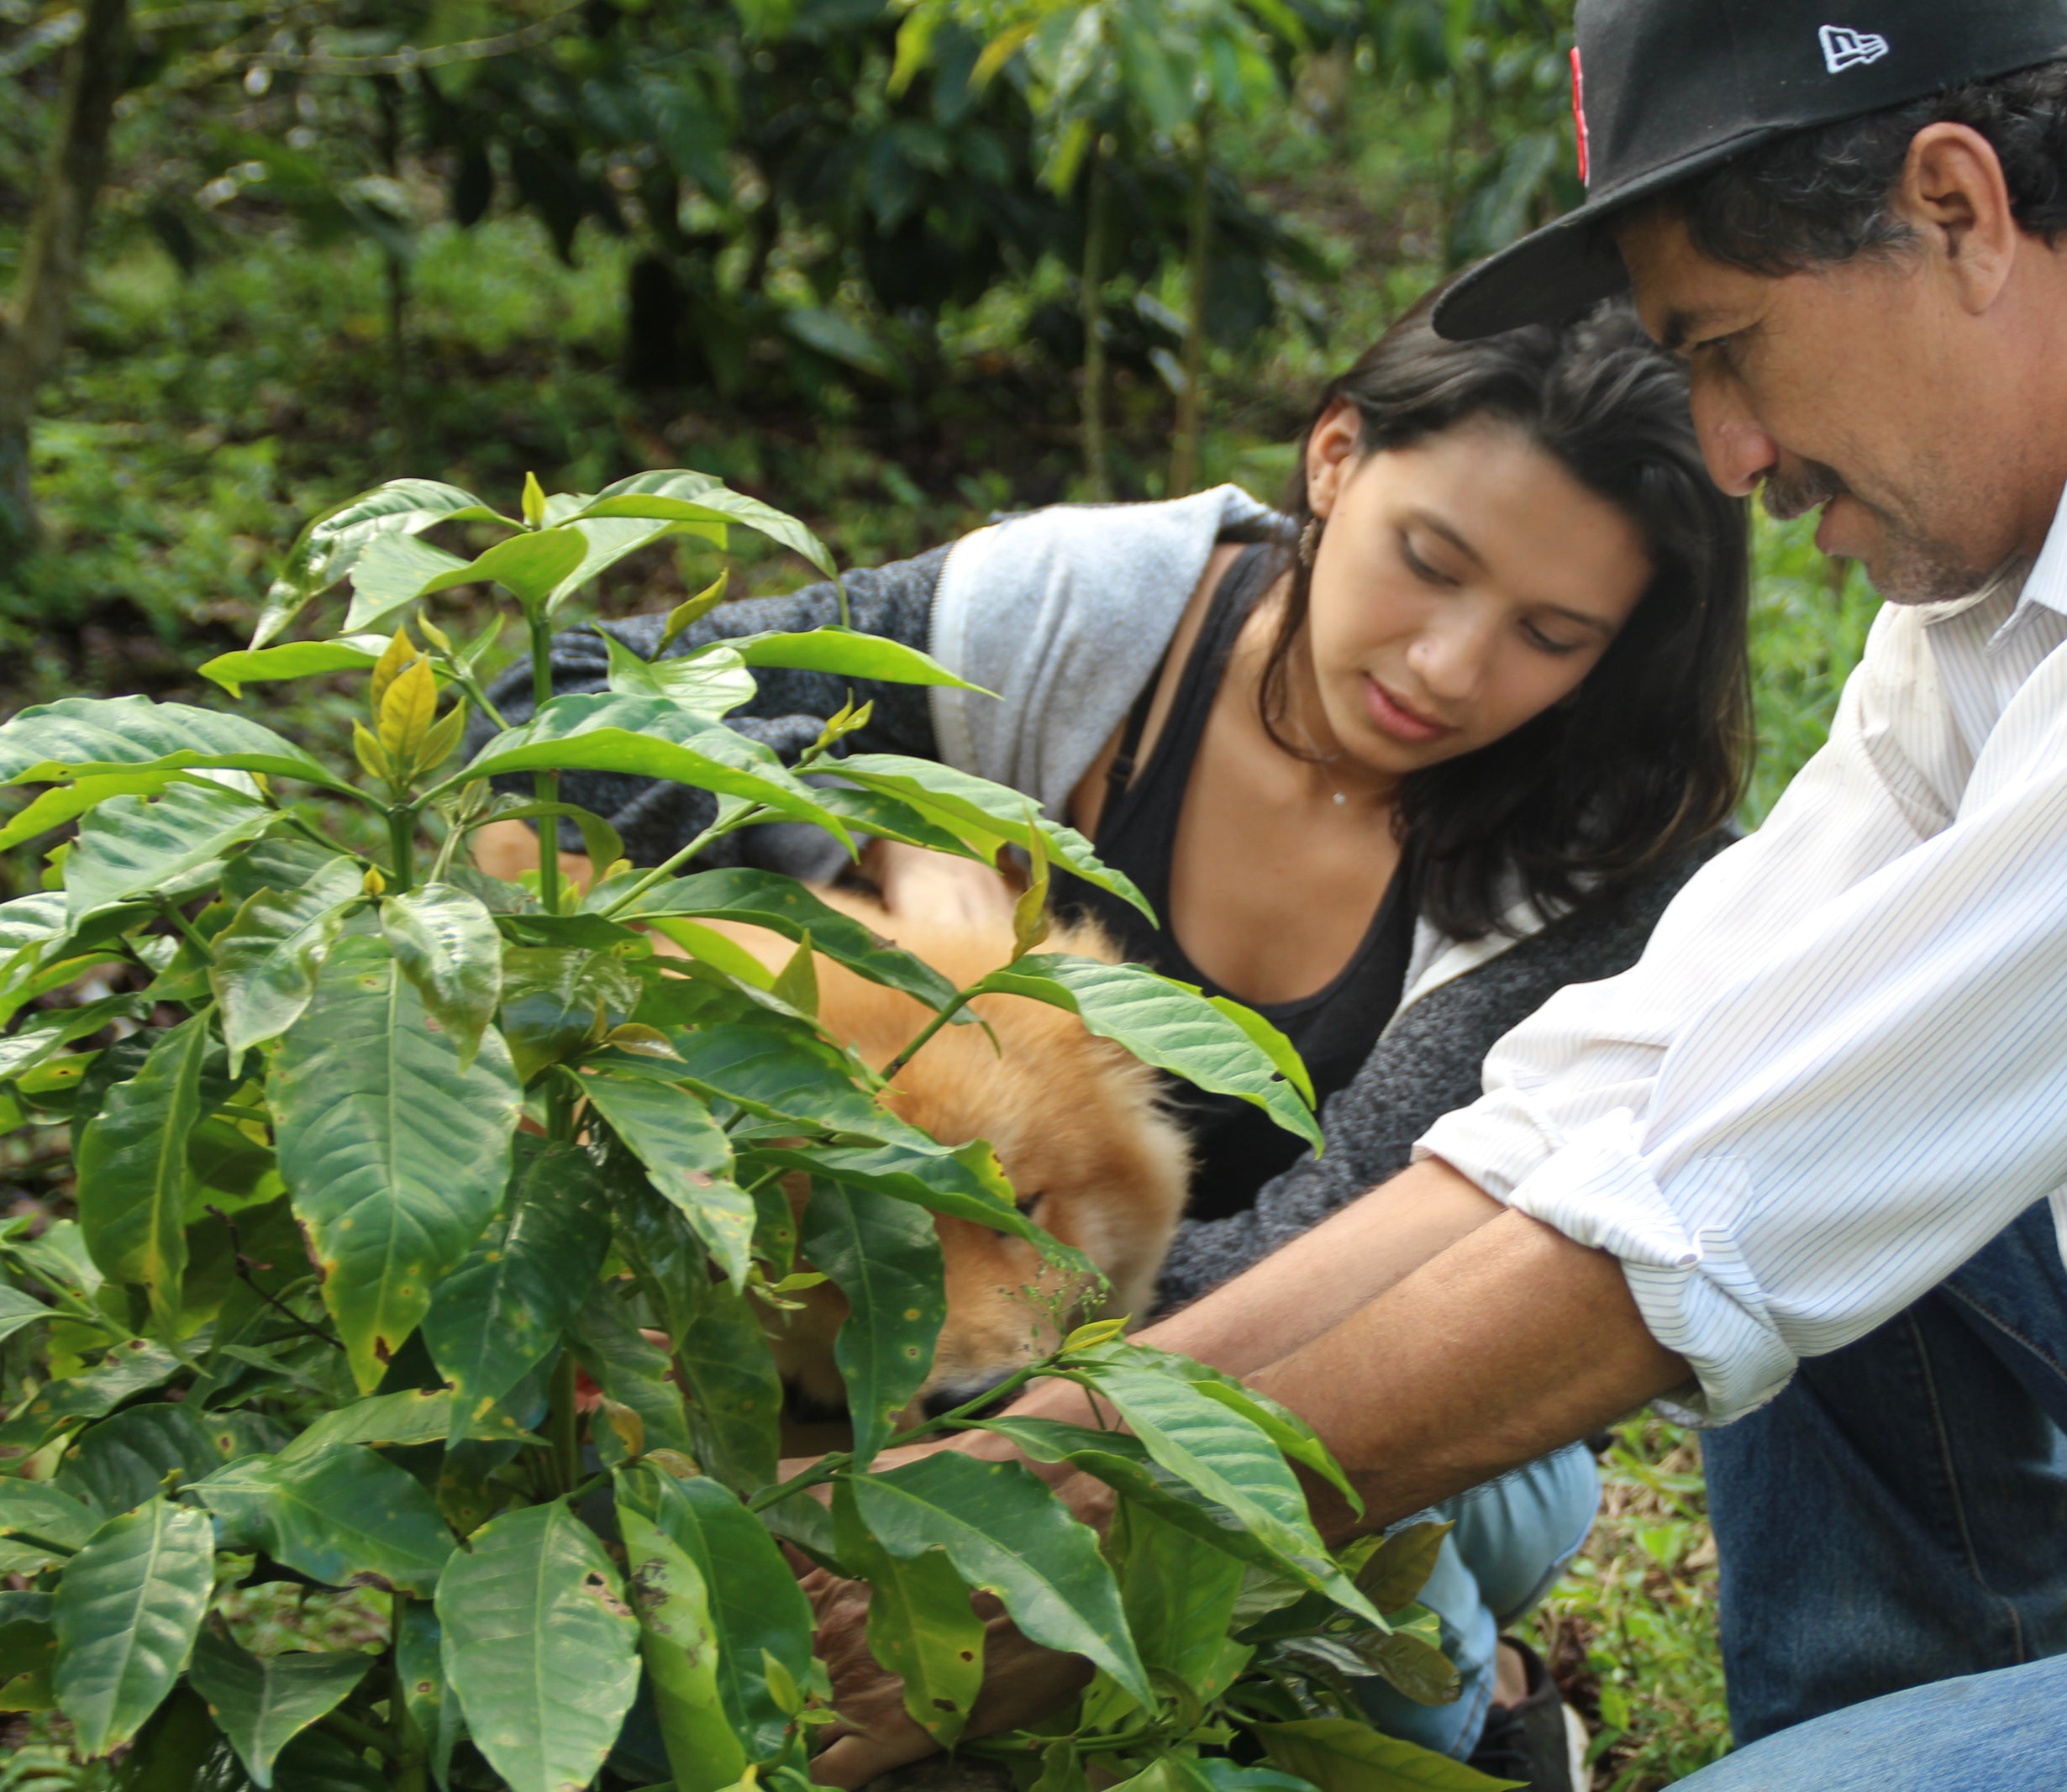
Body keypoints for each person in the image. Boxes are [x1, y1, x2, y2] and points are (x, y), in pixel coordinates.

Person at [795, 2, 2067, 1787]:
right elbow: (1639, 1079)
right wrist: (1062, 1448)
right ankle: (1897, 1693)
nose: (1726, 455)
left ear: (1956, 205)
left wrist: (1096, 1545)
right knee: (1786, 1080)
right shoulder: (1998, 592)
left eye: (1724, 350)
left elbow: (1752, 1188)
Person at [487, 294, 1763, 1776]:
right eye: (1429, 564)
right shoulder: (1088, 618)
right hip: (922, 1339)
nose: (1446, 670)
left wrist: (947, 1459)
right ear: (1336, 456)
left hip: (1379, 1374)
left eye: (1550, 635)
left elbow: (1326, 1253)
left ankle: (1468, 1704)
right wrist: (842, 842)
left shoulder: (1609, 860)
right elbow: (547, 710)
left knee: (1328, 1532)